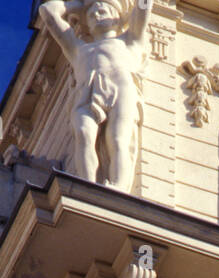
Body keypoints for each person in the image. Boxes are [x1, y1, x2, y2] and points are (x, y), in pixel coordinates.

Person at [39, 0, 153, 190]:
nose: (97, 13)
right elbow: (47, 11)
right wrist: (80, 5)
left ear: (118, 17)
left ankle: (119, 186)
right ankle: (88, 186)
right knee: (83, 133)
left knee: (118, 139)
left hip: (121, 89)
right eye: (92, 13)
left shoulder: (130, 40)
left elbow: (144, 5)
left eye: (104, 9)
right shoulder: (78, 49)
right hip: (87, 91)